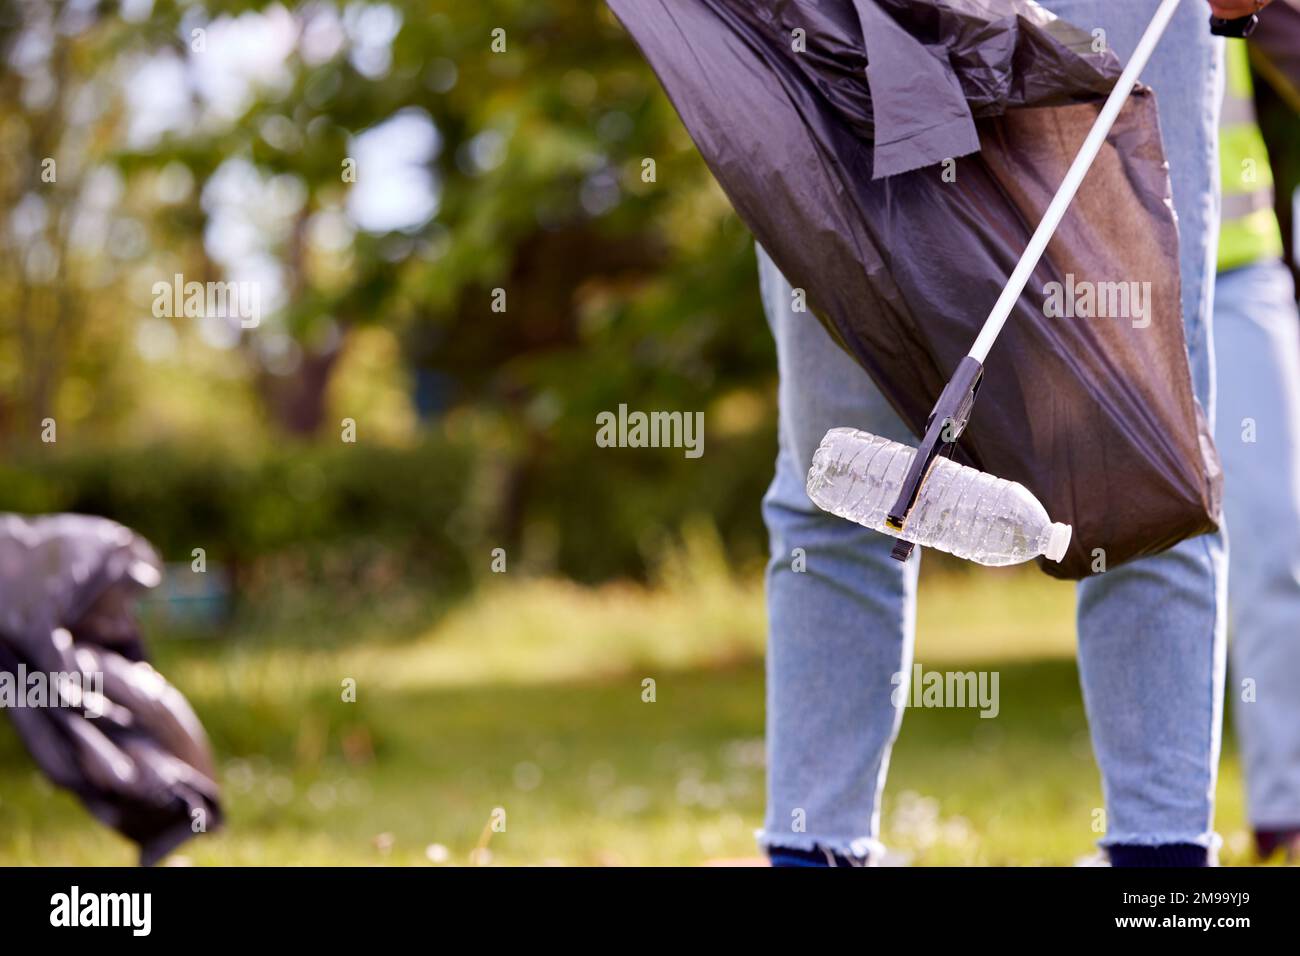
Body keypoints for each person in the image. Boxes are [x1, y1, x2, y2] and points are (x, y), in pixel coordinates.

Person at [756, 0, 1258, 867]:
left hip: (1115, 13)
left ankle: (1158, 868)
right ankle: (818, 848)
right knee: (835, 460)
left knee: (1146, 446)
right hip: (850, 21)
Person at [1211, 35, 1300, 862]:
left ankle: (1288, 810)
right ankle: (1153, 835)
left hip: (1243, 267)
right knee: (1133, 551)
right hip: (1107, 273)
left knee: (1278, 539)